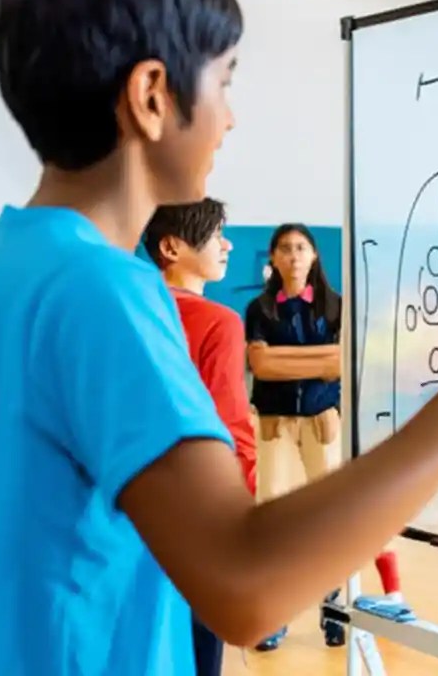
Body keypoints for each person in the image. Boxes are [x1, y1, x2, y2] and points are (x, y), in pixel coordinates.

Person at [0, 0, 438, 675]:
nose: (230, 115)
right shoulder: (103, 291)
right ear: (153, 96)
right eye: (224, 80)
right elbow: (244, 586)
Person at [244, 223, 401, 649]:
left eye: (301, 248)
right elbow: (263, 368)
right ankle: (273, 615)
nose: (293, 256)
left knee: (331, 517)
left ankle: (334, 609)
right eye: (284, 249)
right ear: (273, 259)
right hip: (275, 422)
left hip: (322, 419)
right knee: (272, 517)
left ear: (314, 256)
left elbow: (338, 364)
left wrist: (290, 359)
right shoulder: (259, 310)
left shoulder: (335, 307)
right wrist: (315, 360)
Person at [142, 197, 257, 676]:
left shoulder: (130, 307)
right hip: (200, 521)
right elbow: (230, 429)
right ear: (171, 247)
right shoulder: (219, 322)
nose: (227, 244)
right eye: (214, 235)